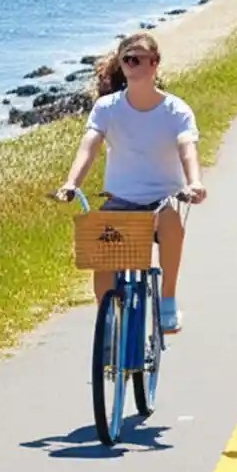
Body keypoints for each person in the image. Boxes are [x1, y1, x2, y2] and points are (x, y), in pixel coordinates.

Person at [55, 32, 206, 333]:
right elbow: (90, 145)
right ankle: (107, 321)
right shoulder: (107, 107)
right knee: (103, 253)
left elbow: (186, 147)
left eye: (138, 59)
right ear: (121, 66)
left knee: (171, 222)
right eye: (127, 60)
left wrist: (194, 182)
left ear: (155, 64)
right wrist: (72, 183)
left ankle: (168, 301)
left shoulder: (176, 109)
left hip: (161, 198)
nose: (132, 65)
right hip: (120, 199)